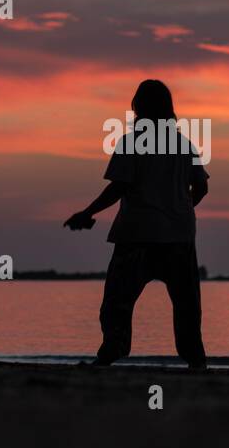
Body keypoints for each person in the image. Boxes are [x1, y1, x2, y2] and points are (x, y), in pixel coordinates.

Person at [64, 80, 209, 370]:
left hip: (137, 234)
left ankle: (112, 350)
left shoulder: (132, 141)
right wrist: (178, 209)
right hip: (179, 237)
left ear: (138, 107)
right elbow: (201, 188)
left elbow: (119, 186)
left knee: (118, 301)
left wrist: (88, 212)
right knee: (186, 305)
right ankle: (195, 359)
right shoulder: (184, 143)